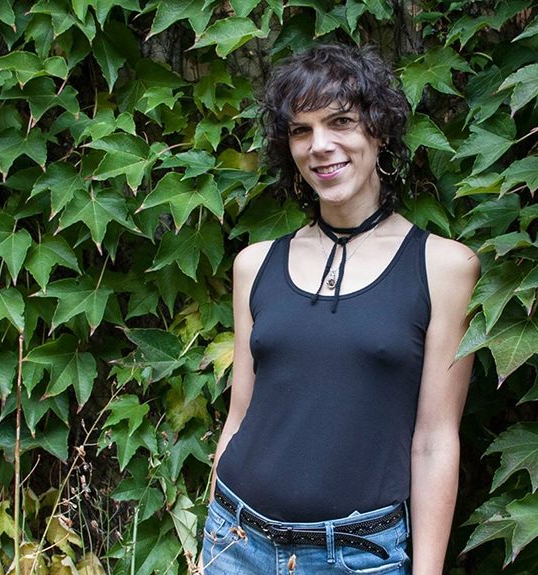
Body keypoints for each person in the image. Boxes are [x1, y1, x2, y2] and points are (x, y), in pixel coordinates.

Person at [199, 43, 479, 575]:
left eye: (341, 122)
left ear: (379, 131)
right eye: (300, 130)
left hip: (356, 555)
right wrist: (208, 549)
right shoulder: (254, 265)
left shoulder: (445, 267)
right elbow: (238, 417)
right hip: (235, 541)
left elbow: (435, 442)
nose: (320, 146)